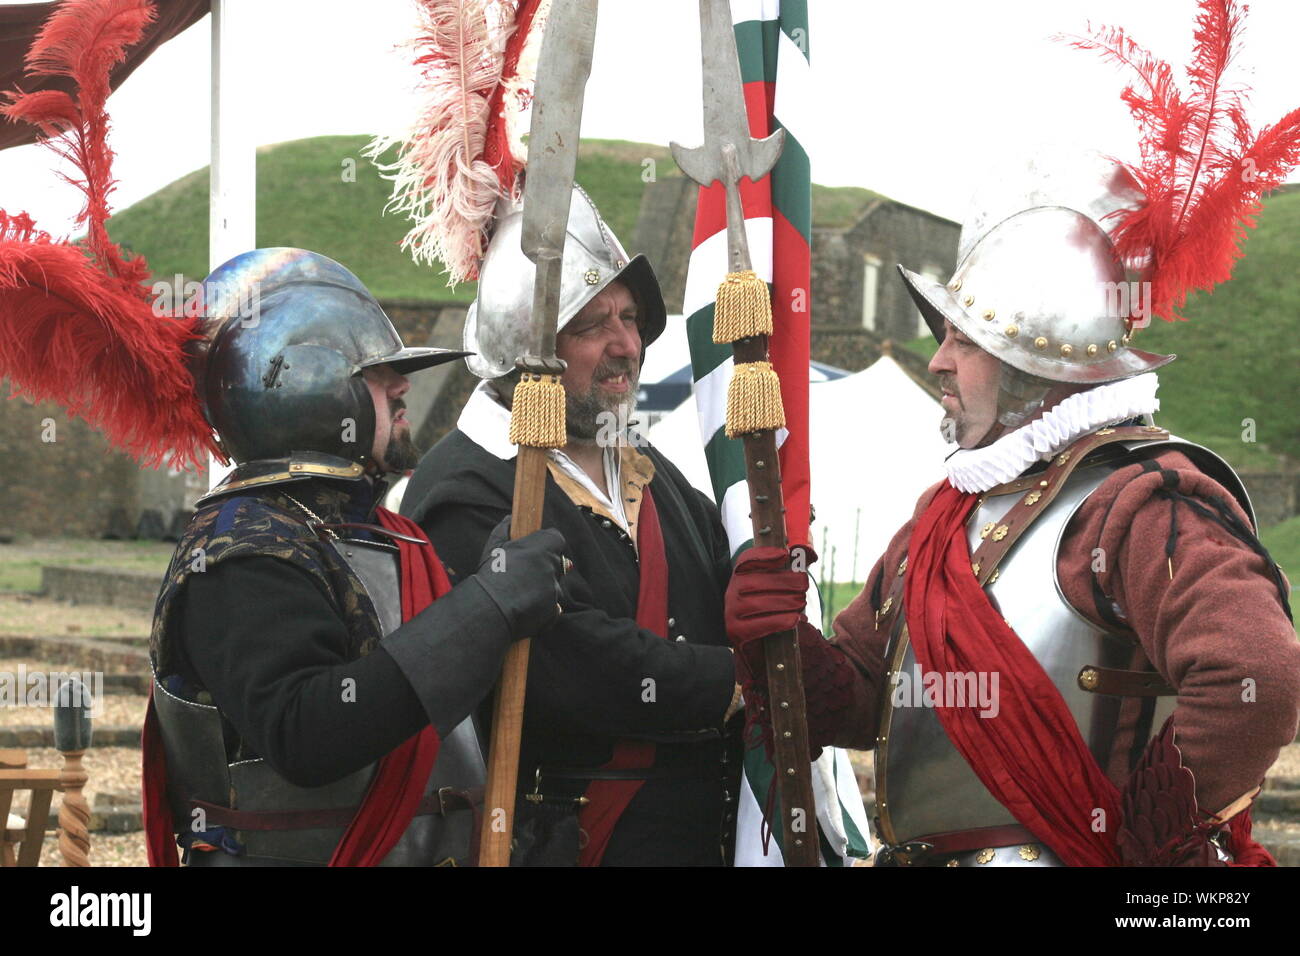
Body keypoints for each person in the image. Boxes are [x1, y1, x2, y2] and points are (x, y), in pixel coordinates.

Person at [724, 166, 1300, 867]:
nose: (937, 363)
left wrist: (1148, 838)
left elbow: (1258, 677)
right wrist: (780, 637)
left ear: (1031, 364)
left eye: (961, 342)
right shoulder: (942, 517)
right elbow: (865, 695)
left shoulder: (1145, 499)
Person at [144, 248, 570, 867]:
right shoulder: (242, 549)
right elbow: (306, 735)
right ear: (302, 385)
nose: (403, 388)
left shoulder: (377, 532)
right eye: (378, 375)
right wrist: (487, 607)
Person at [402, 187, 744, 866]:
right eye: (592, 325)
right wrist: (743, 683)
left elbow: (726, 593)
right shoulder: (467, 489)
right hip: (558, 844)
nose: (627, 345)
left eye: (631, 318)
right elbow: (572, 667)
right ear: (527, 350)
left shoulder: (652, 473)